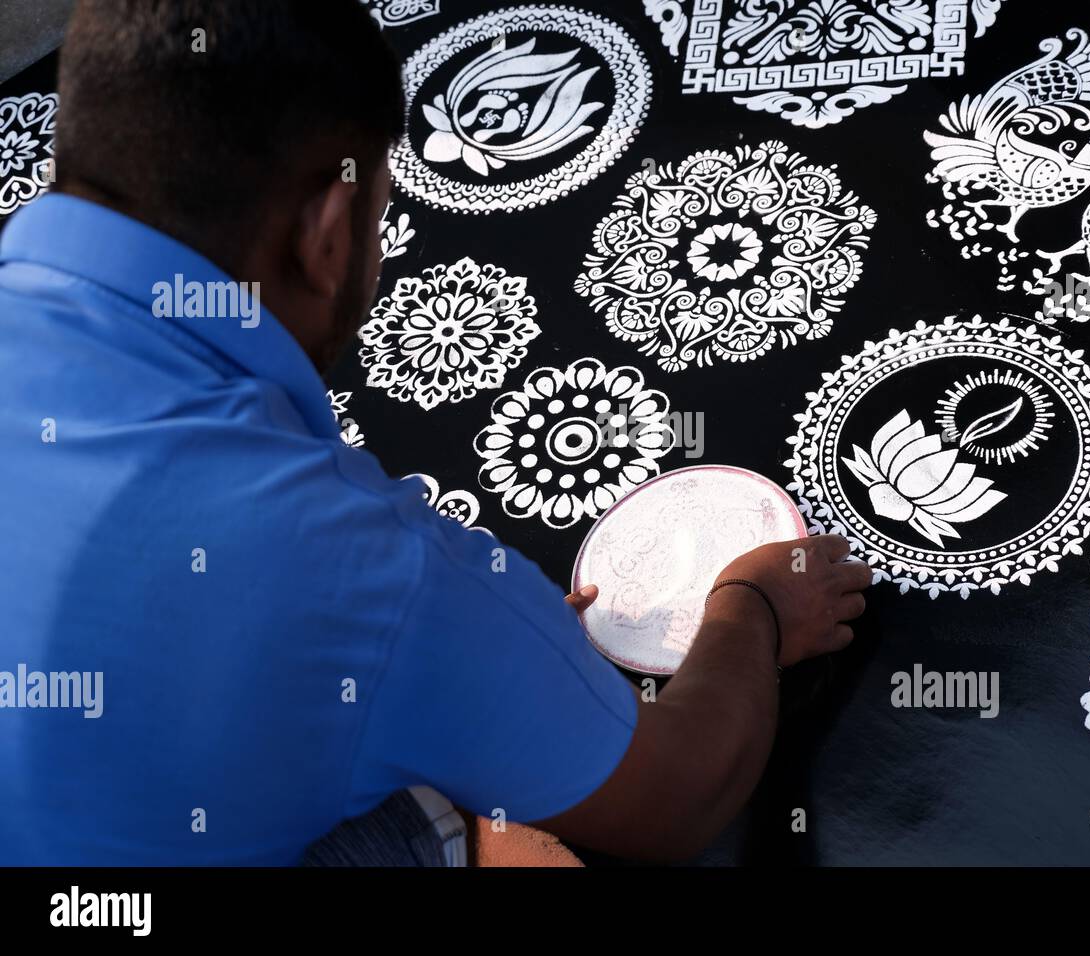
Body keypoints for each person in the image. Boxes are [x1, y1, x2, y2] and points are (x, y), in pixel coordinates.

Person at [0, 0, 871, 865]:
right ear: (329, 236)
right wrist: (751, 607)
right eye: (378, 218)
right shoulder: (361, 562)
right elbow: (679, 796)